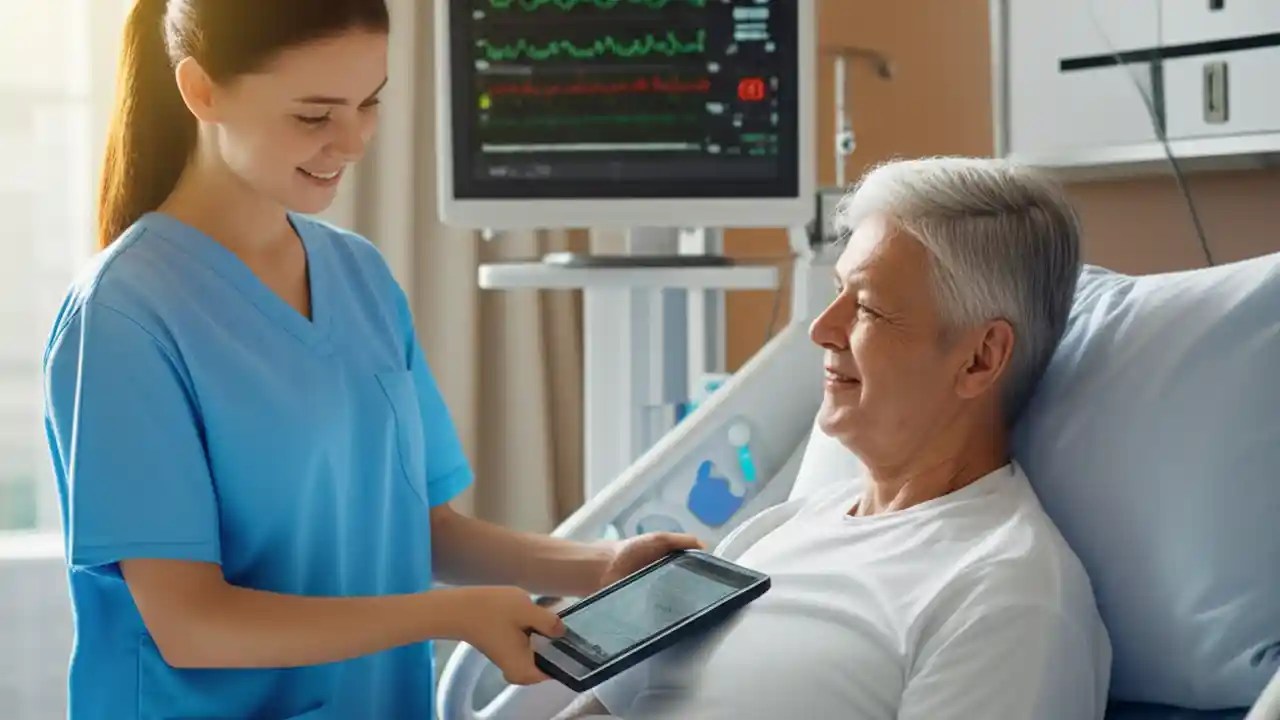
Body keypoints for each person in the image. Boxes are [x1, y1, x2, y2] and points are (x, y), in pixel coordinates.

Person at [40, 1, 700, 718]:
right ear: (202, 91)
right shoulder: (124, 316)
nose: (353, 141)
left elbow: (424, 529)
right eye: (315, 115)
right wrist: (447, 617)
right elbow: (191, 624)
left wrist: (604, 567)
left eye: (369, 103)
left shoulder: (359, 277)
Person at [556, 158, 1112, 720]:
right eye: (838, 290)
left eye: (866, 307)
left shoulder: (1004, 594)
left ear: (979, 358)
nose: (822, 328)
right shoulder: (776, 531)